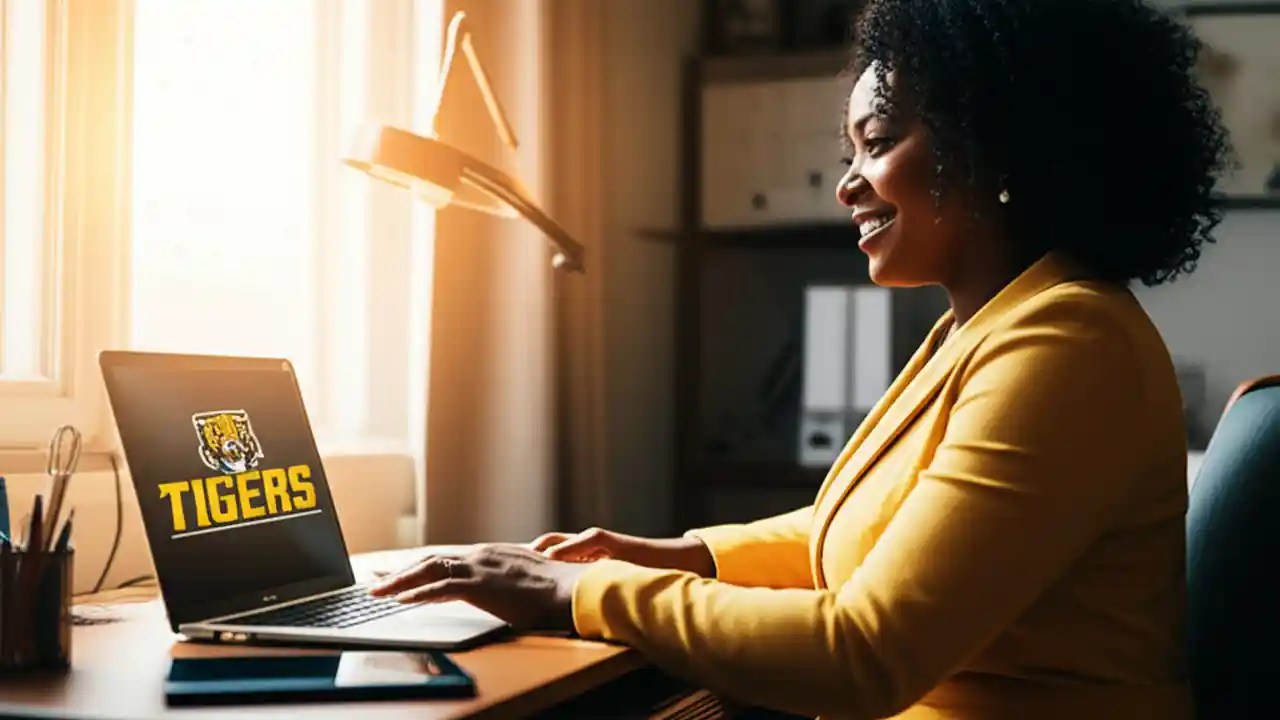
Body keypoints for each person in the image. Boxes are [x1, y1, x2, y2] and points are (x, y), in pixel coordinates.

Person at [372, 0, 1231, 717]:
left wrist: (572, 594)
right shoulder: (990, 329)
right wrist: (682, 556)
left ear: (994, 143)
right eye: (848, 152)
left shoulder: (1066, 347)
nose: (846, 184)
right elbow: (870, 531)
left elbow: (863, 652)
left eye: (879, 141)